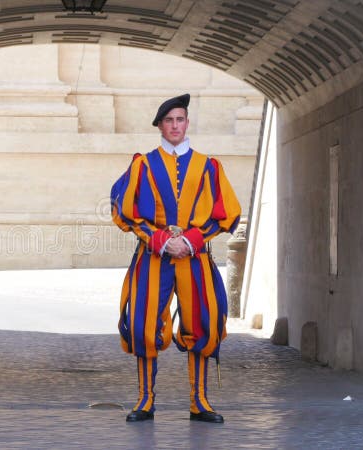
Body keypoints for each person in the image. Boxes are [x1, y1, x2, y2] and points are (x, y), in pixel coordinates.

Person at [110, 93, 241, 423]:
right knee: (142, 326)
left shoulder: (209, 166)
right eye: (168, 121)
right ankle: (145, 400)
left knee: (202, 324)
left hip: (194, 259)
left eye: (179, 119)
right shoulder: (143, 164)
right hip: (153, 257)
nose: (175, 126)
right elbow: (123, 210)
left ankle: (200, 401)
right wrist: (159, 240)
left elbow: (225, 214)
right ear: (160, 126)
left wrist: (191, 240)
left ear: (187, 122)